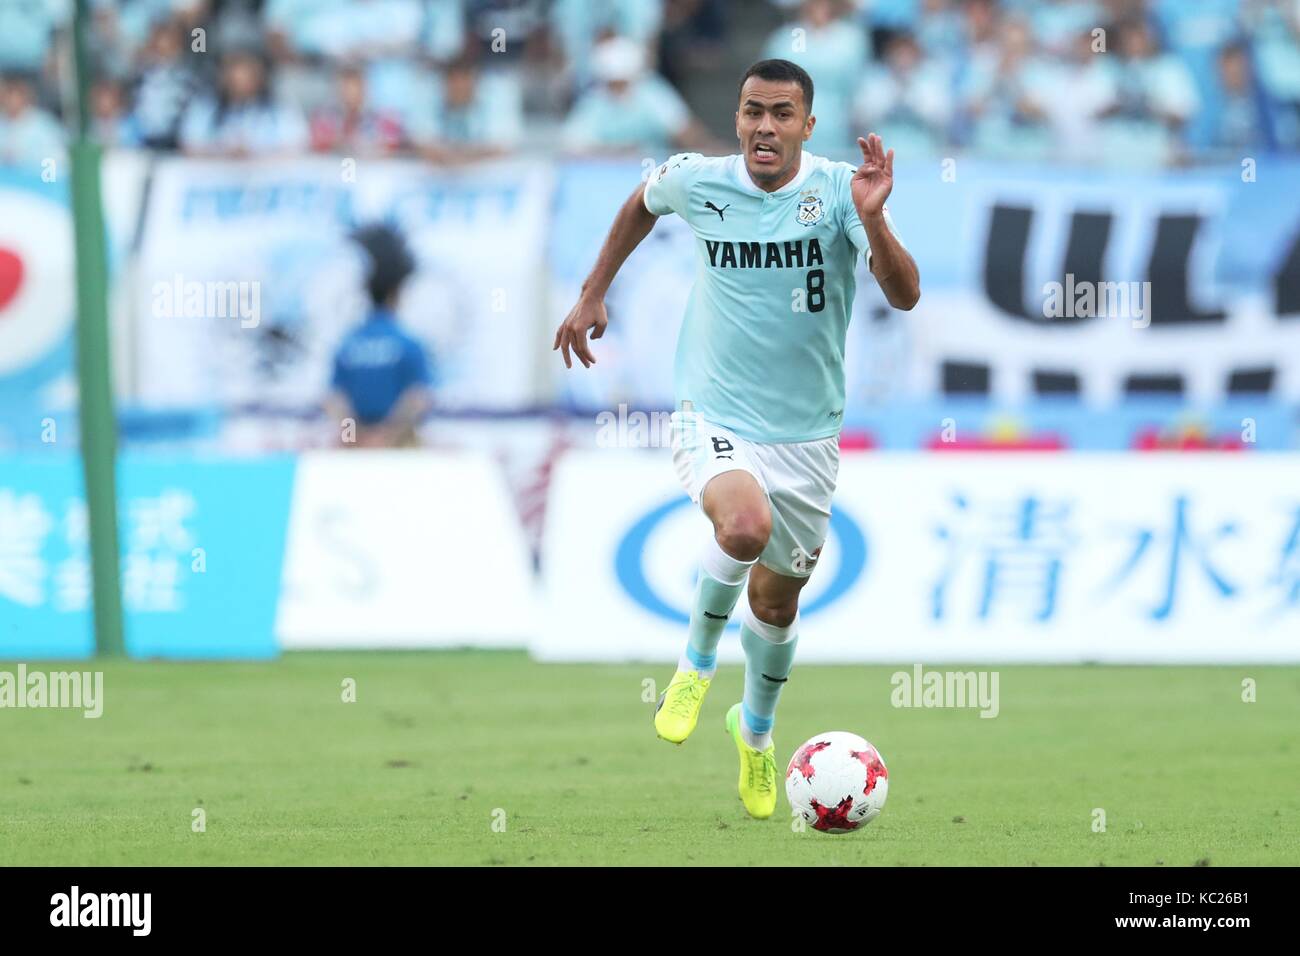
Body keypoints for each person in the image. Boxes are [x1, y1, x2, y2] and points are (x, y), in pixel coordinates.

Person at [552, 58, 919, 819]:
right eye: (753, 110)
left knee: (778, 606)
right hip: (712, 412)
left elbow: (904, 294)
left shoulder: (842, 193)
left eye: (782, 113)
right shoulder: (698, 179)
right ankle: (693, 665)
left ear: (807, 127)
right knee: (743, 525)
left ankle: (754, 737)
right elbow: (639, 205)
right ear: (738, 116)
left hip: (808, 436)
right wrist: (592, 294)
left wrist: (876, 219)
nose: (764, 126)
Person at [326, 225, 435, 449]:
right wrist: (387, 436)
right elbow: (418, 398)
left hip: (355, 447)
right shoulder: (409, 344)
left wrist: (355, 436)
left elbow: (334, 401)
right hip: (398, 447)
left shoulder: (349, 343)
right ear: (397, 291)